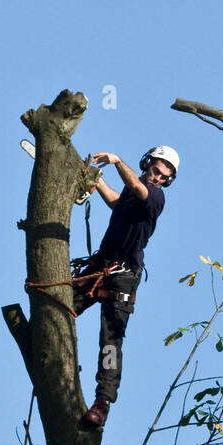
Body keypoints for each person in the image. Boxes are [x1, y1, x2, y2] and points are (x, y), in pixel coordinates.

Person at [73, 145, 179, 428]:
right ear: (148, 165)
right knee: (62, 303)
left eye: (164, 176)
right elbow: (115, 202)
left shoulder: (154, 197)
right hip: (101, 265)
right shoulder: (131, 197)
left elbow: (134, 183)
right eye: (156, 171)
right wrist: (95, 178)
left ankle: (103, 402)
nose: (158, 178)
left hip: (123, 274)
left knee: (110, 341)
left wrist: (117, 160)